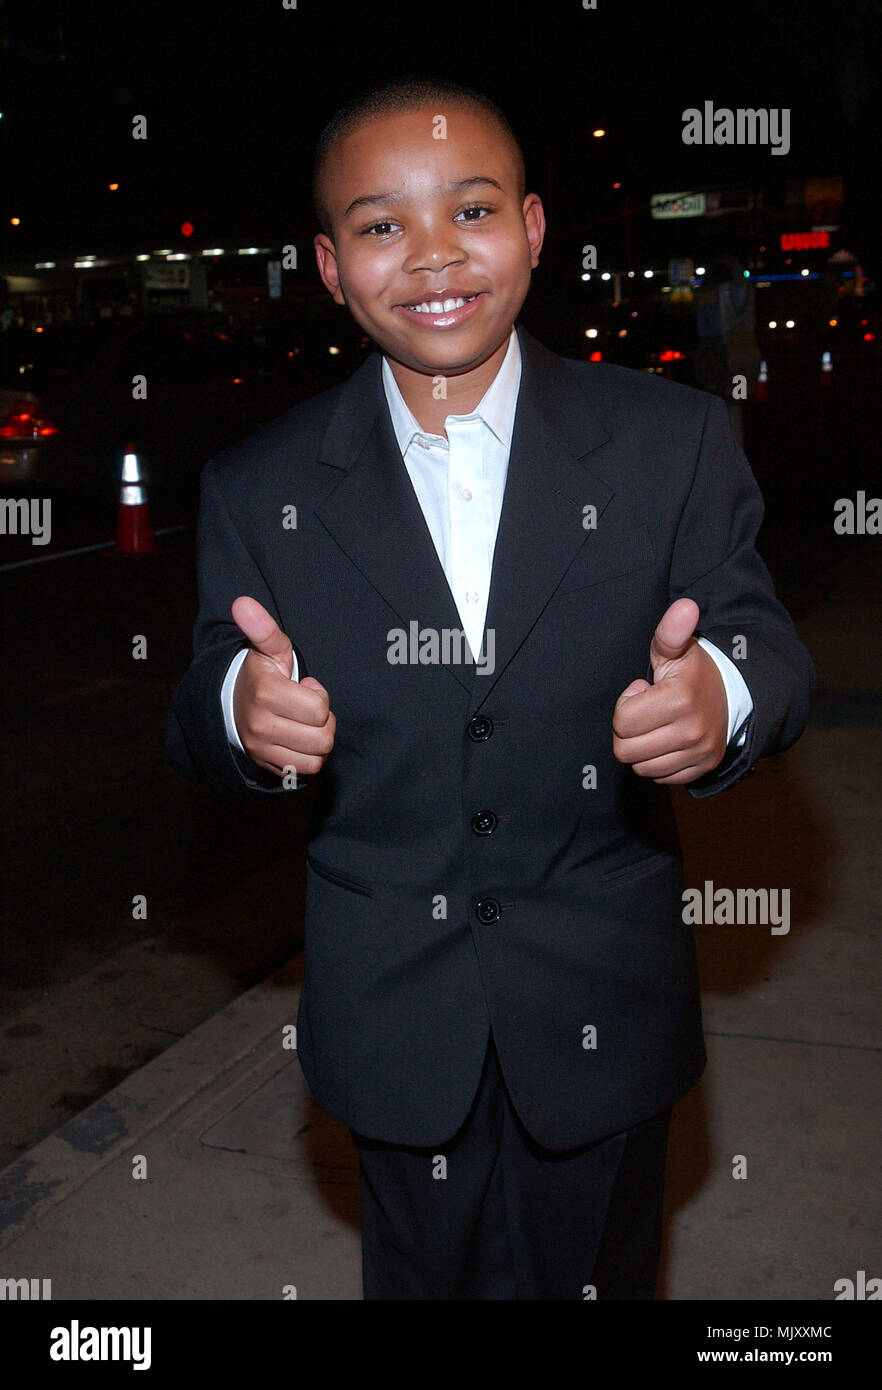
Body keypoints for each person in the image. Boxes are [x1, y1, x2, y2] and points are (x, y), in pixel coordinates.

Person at [166, 75, 815, 1300]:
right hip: (392, 1007)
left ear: (530, 227)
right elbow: (201, 695)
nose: (430, 256)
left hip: (602, 996)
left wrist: (722, 696)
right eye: (379, 225)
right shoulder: (263, 484)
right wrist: (238, 714)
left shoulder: (668, 440)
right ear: (327, 265)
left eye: (468, 210)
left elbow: (759, 636)